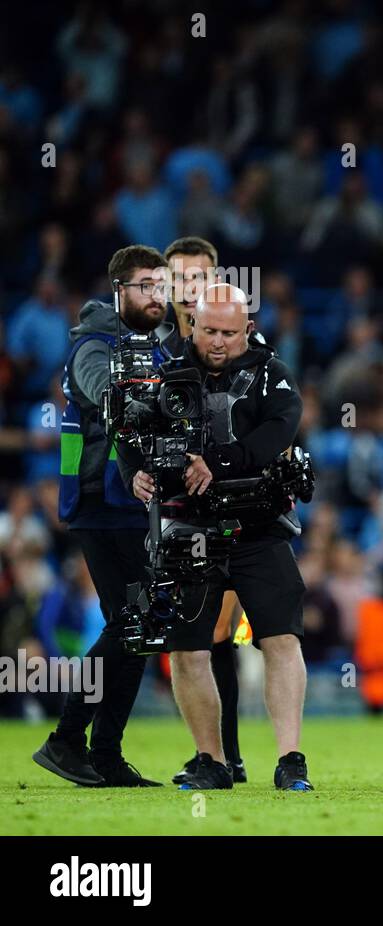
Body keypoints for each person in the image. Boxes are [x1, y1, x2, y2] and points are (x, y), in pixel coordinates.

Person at [126, 284, 312, 790]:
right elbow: (131, 430)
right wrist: (133, 474)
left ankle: (290, 758)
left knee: (280, 636)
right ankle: (210, 760)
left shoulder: (269, 370)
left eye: (229, 333)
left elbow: (284, 426)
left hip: (257, 525)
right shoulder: (163, 373)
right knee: (186, 647)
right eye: (208, 330)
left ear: (247, 329)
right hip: (188, 527)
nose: (217, 341)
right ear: (193, 324)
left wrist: (220, 462)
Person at [31, 245, 179, 788]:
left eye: (161, 287)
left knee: (144, 627)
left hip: (136, 505)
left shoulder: (152, 349)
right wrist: (142, 396)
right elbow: (100, 389)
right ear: (119, 289)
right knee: (133, 623)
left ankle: (105, 753)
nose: (155, 297)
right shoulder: (94, 345)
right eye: (145, 286)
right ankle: (68, 739)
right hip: (103, 502)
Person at [163, 235, 248, 784]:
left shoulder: (241, 344)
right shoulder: (154, 349)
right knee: (181, 634)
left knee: (219, 631)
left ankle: (226, 755)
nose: (190, 289)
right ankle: (212, 754)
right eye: (181, 279)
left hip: (234, 509)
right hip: (168, 507)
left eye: (200, 278)